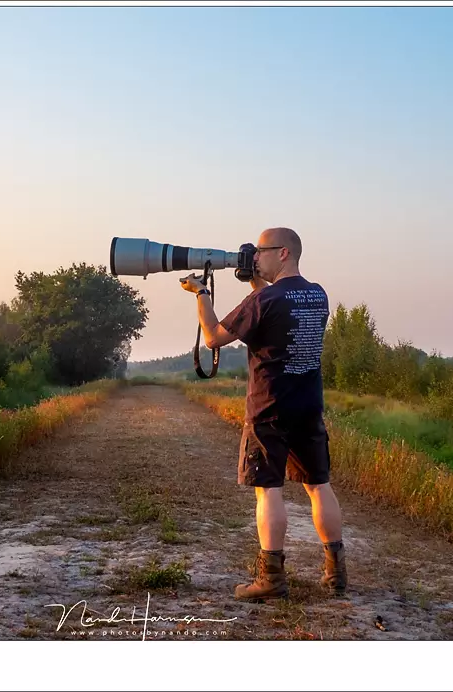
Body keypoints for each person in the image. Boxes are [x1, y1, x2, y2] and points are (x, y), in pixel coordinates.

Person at [179, 227, 345, 602]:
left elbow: (213, 336)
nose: (255, 257)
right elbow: (277, 312)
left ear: (282, 253)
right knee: (319, 486)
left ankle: (271, 578)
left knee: (268, 491)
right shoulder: (318, 295)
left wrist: (202, 293)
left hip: (269, 409)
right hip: (308, 406)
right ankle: (336, 574)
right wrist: (256, 281)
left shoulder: (265, 299)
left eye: (261, 251)